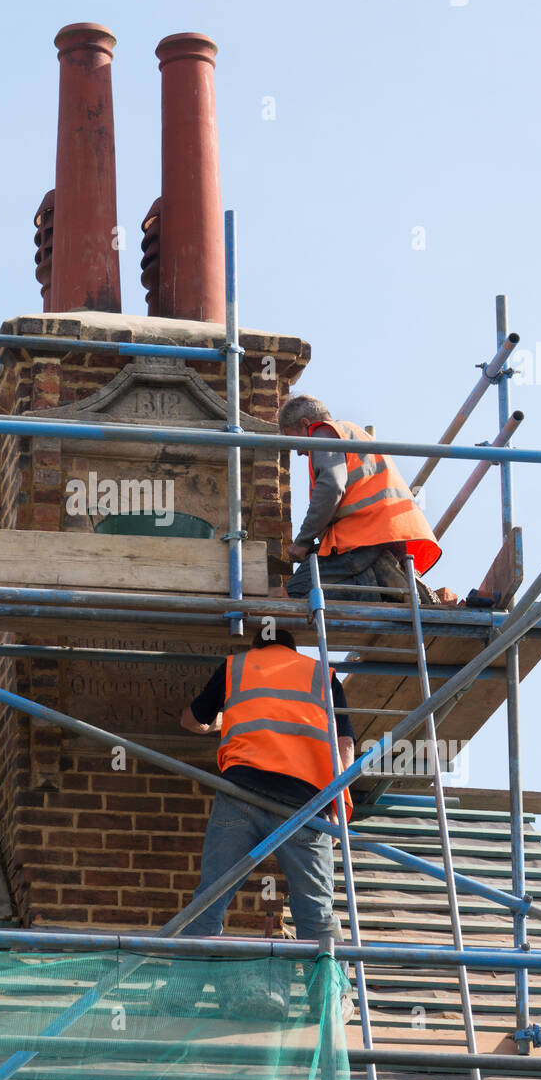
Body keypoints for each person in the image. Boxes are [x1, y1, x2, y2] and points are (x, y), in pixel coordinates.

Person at [175, 627, 355, 1019]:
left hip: (242, 792)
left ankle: (178, 999)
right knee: (315, 911)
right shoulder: (322, 674)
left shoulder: (236, 667)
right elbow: (344, 747)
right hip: (306, 803)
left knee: (209, 901)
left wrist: (220, 722)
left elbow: (190, 719)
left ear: (257, 645)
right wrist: (339, 808)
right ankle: (327, 1006)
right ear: (293, 647)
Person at [277, 394, 441, 603]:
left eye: (294, 441)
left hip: (361, 537)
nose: (299, 452)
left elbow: (330, 487)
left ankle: (379, 580)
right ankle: (385, 584)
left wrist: (302, 542)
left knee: (296, 594)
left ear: (305, 424)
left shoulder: (322, 432)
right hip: (382, 535)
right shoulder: (353, 433)